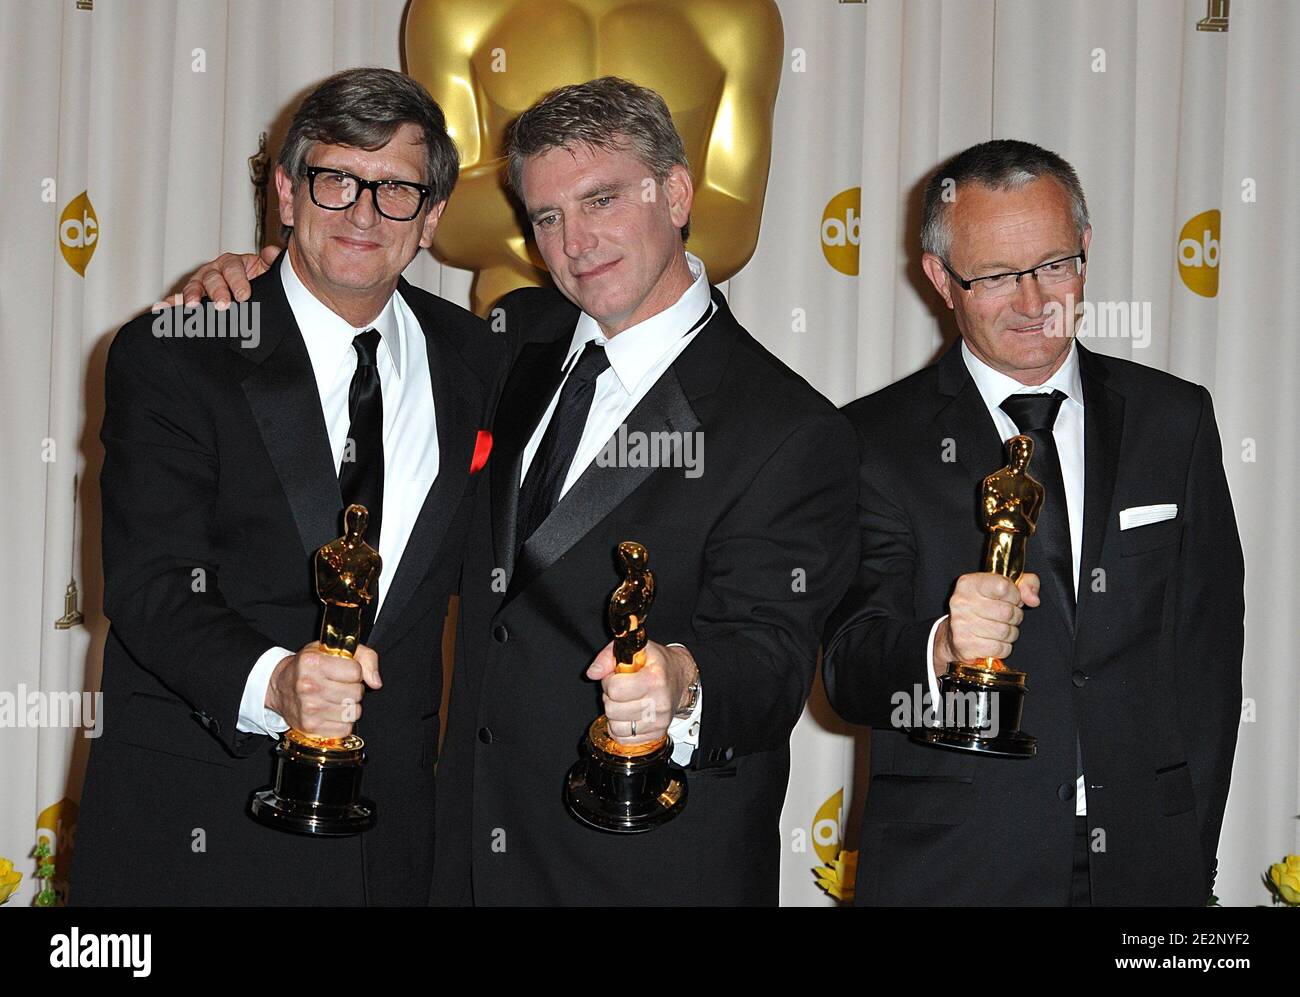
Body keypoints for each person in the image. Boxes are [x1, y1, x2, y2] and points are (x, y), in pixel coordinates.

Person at [171, 76, 856, 907]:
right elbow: (344, 303)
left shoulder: (785, 423)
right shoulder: (512, 343)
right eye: (547, 216)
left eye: (601, 199)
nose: (576, 241)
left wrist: (683, 680)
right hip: (461, 858)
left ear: (676, 193)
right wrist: (255, 279)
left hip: (645, 869)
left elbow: (775, 655)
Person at [71, 68, 506, 905]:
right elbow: (151, 585)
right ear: (285, 190)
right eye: (336, 178)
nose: (362, 213)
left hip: (394, 844)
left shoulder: (481, 361)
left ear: (433, 218)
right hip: (198, 827)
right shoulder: (178, 349)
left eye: (396, 190)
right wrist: (274, 684)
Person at [822, 139, 1245, 906]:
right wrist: (941, 646)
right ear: (940, 279)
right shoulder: (869, 442)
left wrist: (1190, 853)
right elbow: (849, 669)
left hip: (1146, 871)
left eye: (1053, 264)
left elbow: (1208, 659)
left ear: (1086, 250)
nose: (1032, 301)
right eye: (993, 276)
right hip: (950, 872)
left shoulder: (1174, 420)